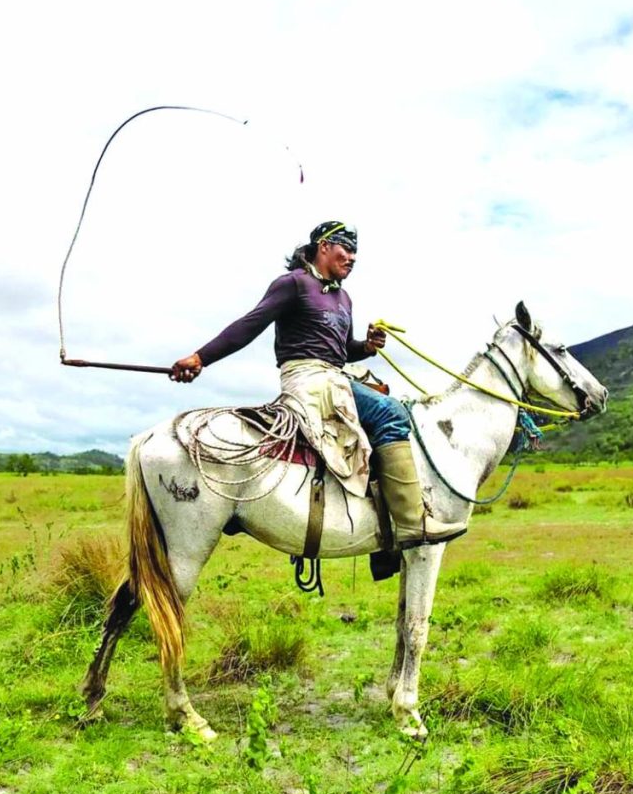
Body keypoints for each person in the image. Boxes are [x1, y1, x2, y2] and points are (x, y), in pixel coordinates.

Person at [170, 220, 465, 548]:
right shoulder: (294, 284)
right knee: (391, 413)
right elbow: (249, 325)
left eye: (355, 253)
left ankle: (380, 527)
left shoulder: (344, 299)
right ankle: (413, 522)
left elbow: (340, 351)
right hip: (308, 382)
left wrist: (366, 347)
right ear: (323, 246)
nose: (352, 257)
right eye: (346, 249)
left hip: (334, 377)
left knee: (383, 406)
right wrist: (201, 358)